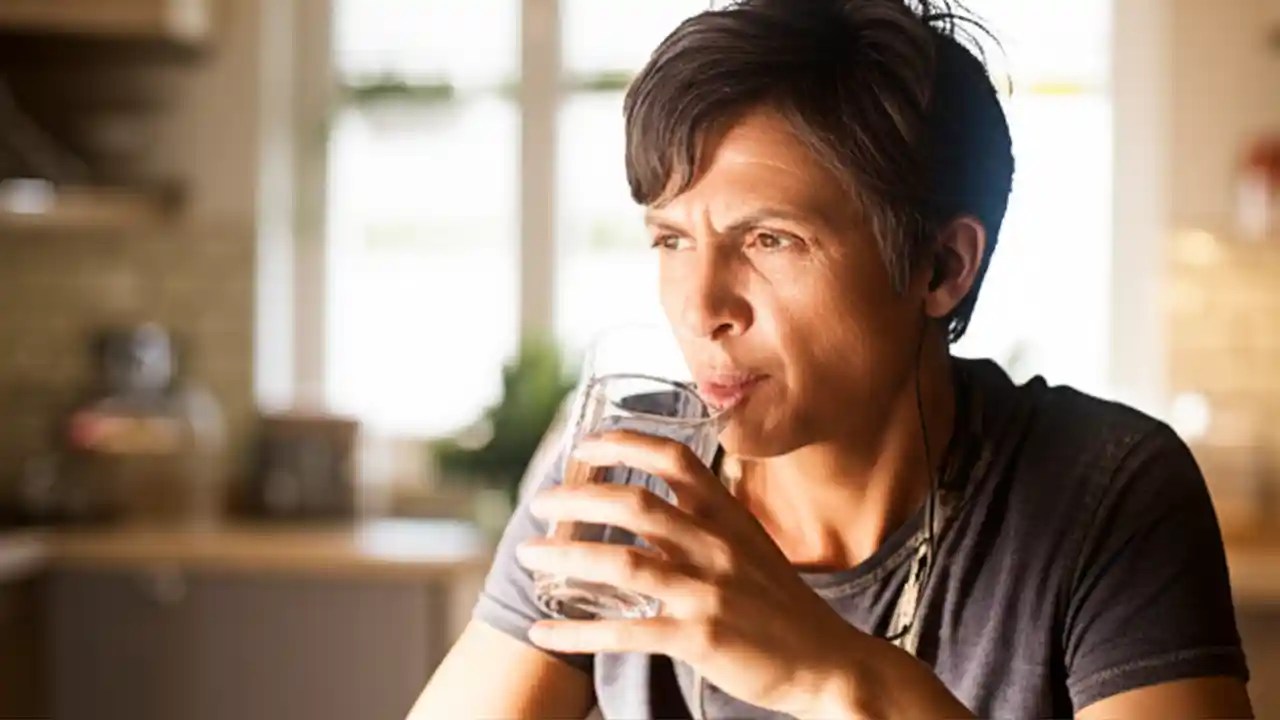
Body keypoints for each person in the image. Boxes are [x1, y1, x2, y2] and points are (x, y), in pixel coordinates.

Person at [409, 0, 1253, 717]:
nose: (701, 308)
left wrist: (829, 672)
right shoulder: (624, 484)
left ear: (941, 268)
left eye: (771, 240)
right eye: (671, 239)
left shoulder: (1106, 490)